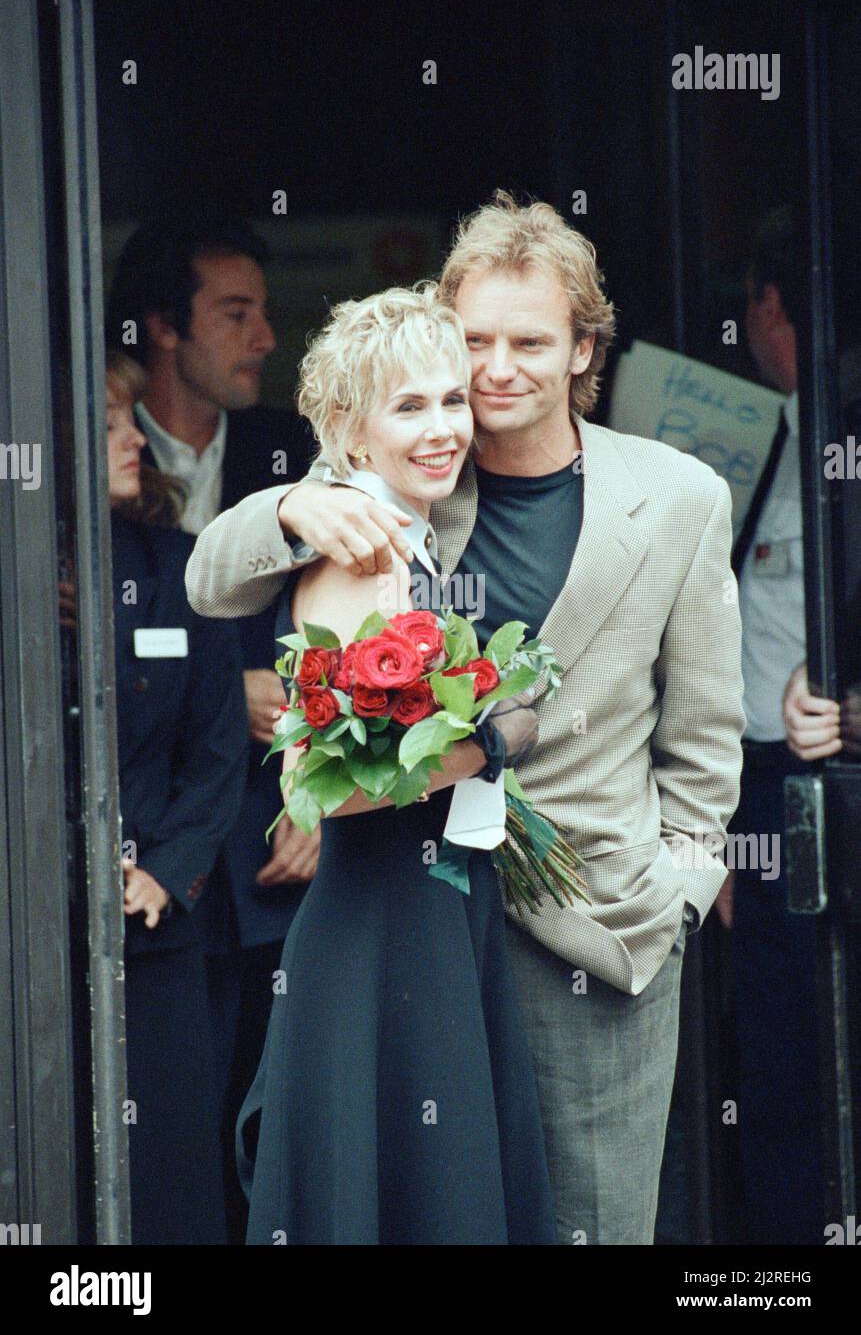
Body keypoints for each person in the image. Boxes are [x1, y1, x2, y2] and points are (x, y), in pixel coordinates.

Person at [187, 192, 746, 1245]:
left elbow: (708, 744)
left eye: (530, 341)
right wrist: (288, 506)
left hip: (597, 938)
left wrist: (669, 901)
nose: (494, 371)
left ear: (585, 348)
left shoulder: (681, 497)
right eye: (475, 339)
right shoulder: (411, 462)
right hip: (430, 931)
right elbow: (214, 578)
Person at [234, 285, 557, 1244]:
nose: (444, 427)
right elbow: (316, 790)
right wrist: (495, 739)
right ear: (346, 425)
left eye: (452, 400)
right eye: (409, 406)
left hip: (435, 913)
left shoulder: (403, 541)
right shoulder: (356, 557)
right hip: (377, 930)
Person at [105, 216, 315, 1240]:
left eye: (263, 311)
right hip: (165, 858)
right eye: (236, 312)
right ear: (161, 328)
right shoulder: (93, 449)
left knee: (276, 1138)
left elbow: (363, 630)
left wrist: (328, 785)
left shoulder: (296, 454)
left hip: (287, 848)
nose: (266, 336)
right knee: (171, 1148)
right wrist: (218, 682)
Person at [101, 351, 248, 1243]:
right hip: (39, 928)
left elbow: (219, 749)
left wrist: (165, 870)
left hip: (160, 920)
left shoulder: (181, 566)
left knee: (169, 1173)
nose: (133, 438)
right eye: (113, 424)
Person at [721, 207, 824, 1244]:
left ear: (768, 304)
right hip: (748, 783)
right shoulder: (743, 445)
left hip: (832, 778)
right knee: (776, 1048)